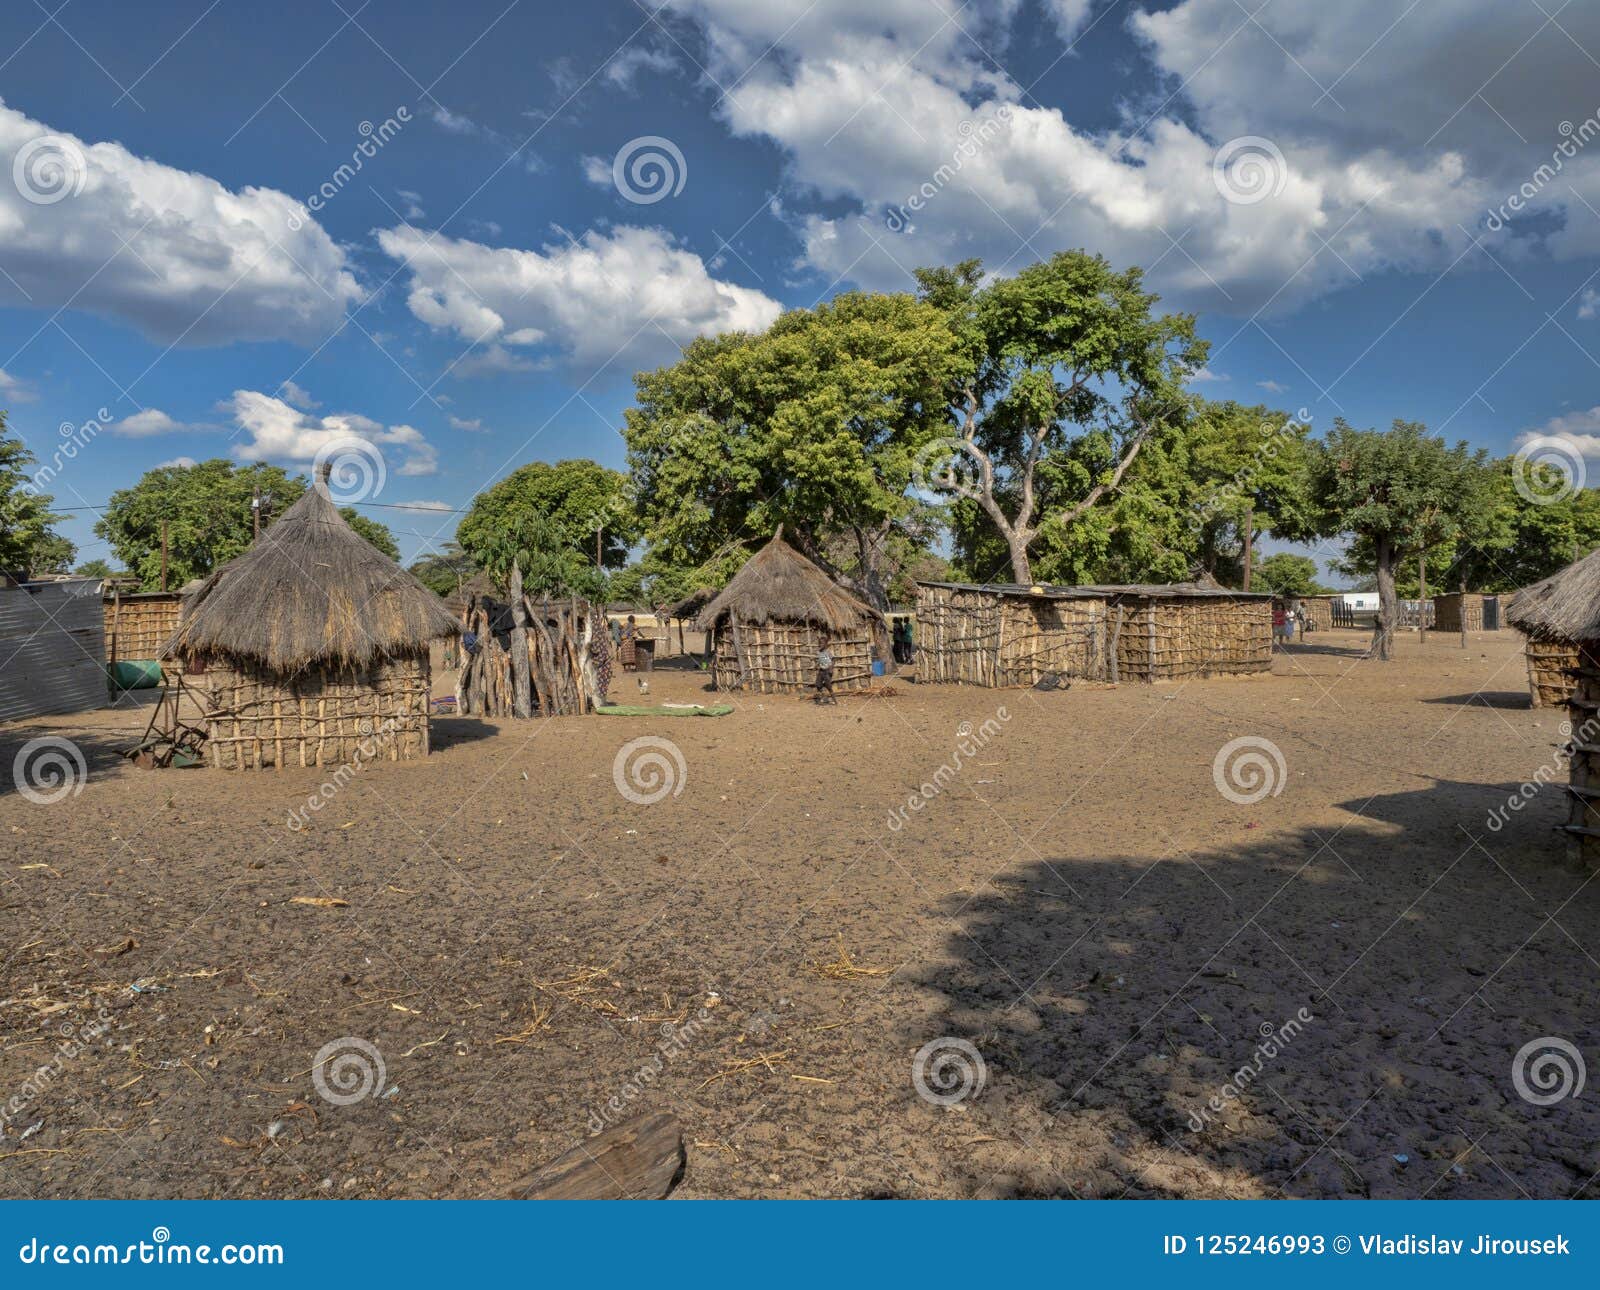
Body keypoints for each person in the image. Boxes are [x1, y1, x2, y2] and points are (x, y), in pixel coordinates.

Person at [814, 632, 837, 705]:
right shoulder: (819, 653)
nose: (820, 645)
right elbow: (819, 660)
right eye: (819, 643)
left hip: (827, 671)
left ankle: (835, 701)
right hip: (821, 670)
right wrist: (816, 666)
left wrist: (831, 669)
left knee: (828, 686)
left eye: (822, 643)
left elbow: (833, 660)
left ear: (826, 644)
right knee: (818, 684)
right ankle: (824, 698)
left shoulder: (828, 652)